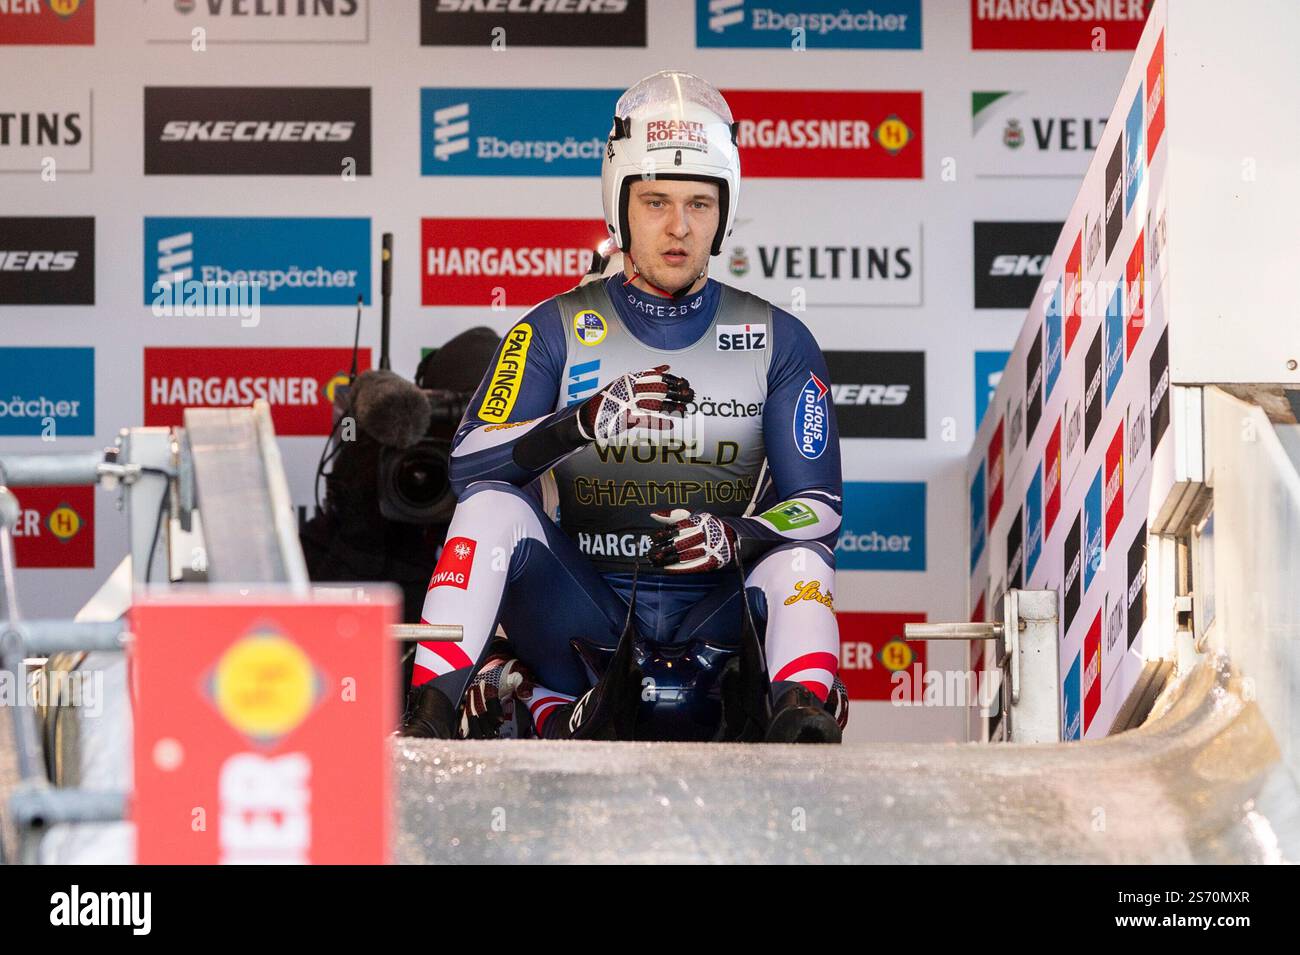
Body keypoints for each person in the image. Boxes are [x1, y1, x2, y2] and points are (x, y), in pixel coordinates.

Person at [402, 71, 846, 743]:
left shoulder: (779, 338)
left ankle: (801, 721)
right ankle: (425, 724)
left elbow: (820, 506)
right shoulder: (549, 327)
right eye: (656, 201)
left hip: (718, 625)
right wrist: (578, 422)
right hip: (584, 617)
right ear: (620, 207)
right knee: (492, 505)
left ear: (724, 214)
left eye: (700, 204)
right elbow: (467, 465)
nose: (678, 226)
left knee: (802, 560)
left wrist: (739, 535)